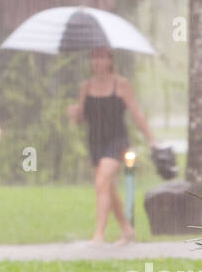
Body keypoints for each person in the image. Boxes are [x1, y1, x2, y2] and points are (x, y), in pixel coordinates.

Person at [67, 47, 157, 246]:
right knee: (108, 187)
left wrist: (152, 140)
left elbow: (136, 114)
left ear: (110, 60)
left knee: (102, 181)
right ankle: (127, 229)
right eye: (93, 57)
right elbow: (82, 117)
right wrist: (74, 113)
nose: (97, 62)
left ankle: (99, 236)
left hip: (117, 141)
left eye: (101, 57)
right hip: (95, 141)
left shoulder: (121, 84)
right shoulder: (86, 86)